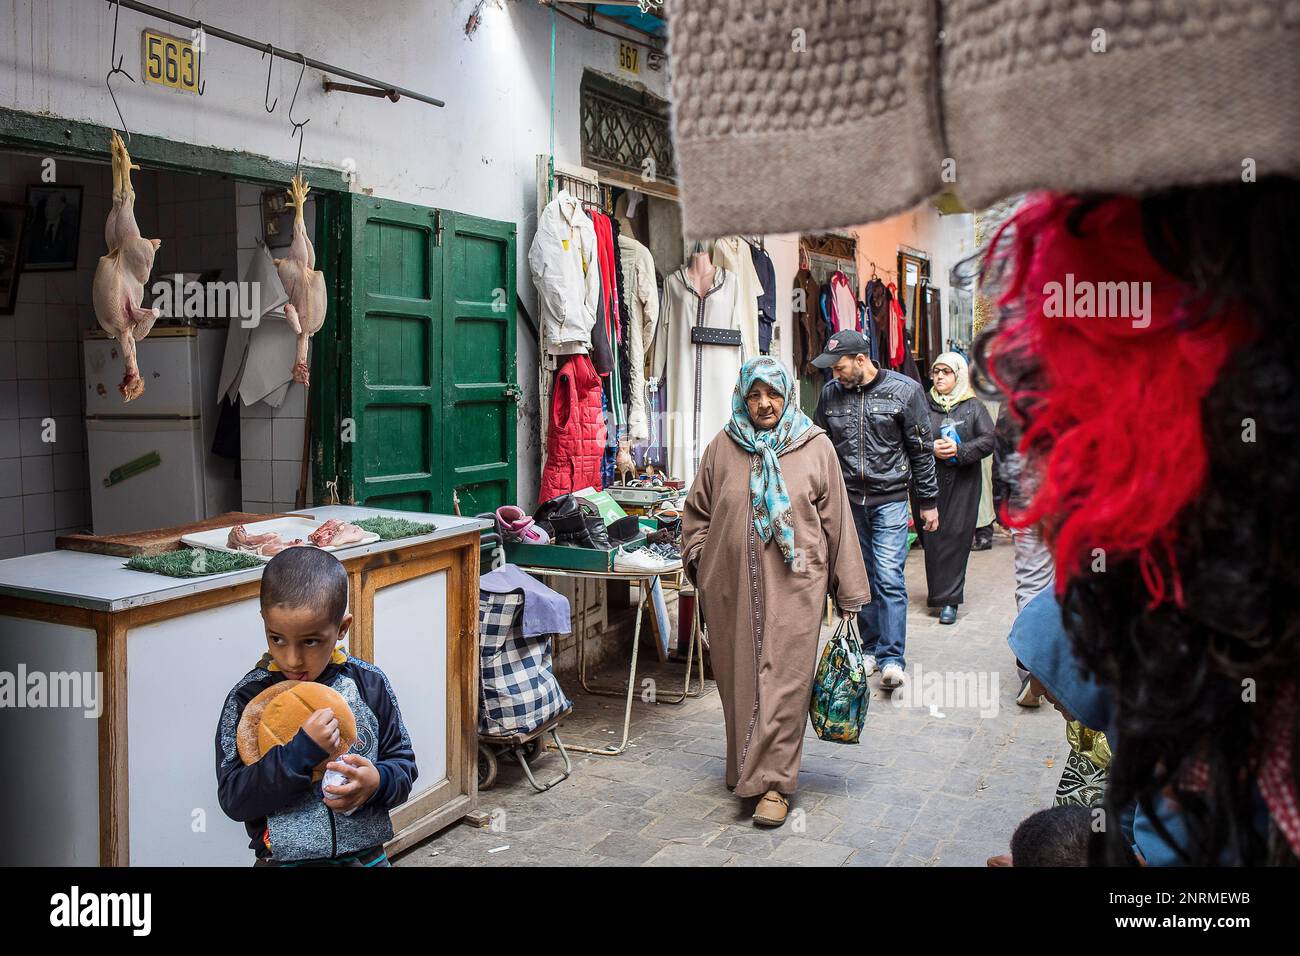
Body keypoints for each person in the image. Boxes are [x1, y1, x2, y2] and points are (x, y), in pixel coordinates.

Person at [683, 356, 870, 828]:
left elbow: (839, 525)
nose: (764, 404)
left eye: (773, 393)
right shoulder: (723, 447)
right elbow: (696, 514)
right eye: (754, 394)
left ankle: (775, 785)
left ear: (788, 395)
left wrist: (848, 595)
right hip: (731, 591)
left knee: (785, 682)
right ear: (743, 398)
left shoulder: (814, 446)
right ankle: (745, 768)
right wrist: (703, 560)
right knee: (740, 681)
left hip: (797, 587)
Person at [215, 547, 417, 866]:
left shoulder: (370, 684)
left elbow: (404, 765)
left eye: (310, 641)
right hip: (283, 862)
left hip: (367, 858)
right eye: (277, 638)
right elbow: (235, 799)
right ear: (264, 623)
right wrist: (301, 752)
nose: (293, 658)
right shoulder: (247, 700)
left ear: (341, 629)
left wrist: (377, 781)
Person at [811, 330, 938, 689]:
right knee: (859, 578)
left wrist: (927, 503)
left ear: (862, 360)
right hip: (849, 501)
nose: (834, 375)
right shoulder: (830, 396)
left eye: (839, 367)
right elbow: (819, 448)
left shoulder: (904, 391)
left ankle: (892, 657)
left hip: (891, 500)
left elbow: (921, 450)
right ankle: (868, 648)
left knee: (888, 577)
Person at [920, 352, 994, 625]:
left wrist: (960, 450)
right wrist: (931, 449)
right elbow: (911, 437)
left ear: (958, 375)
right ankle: (937, 594)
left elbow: (988, 440)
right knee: (934, 537)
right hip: (930, 482)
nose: (939, 377)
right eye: (936, 372)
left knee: (956, 537)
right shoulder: (924, 404)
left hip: (964, 484)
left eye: (946, 372)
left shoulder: (973, 406)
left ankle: (950, 600)